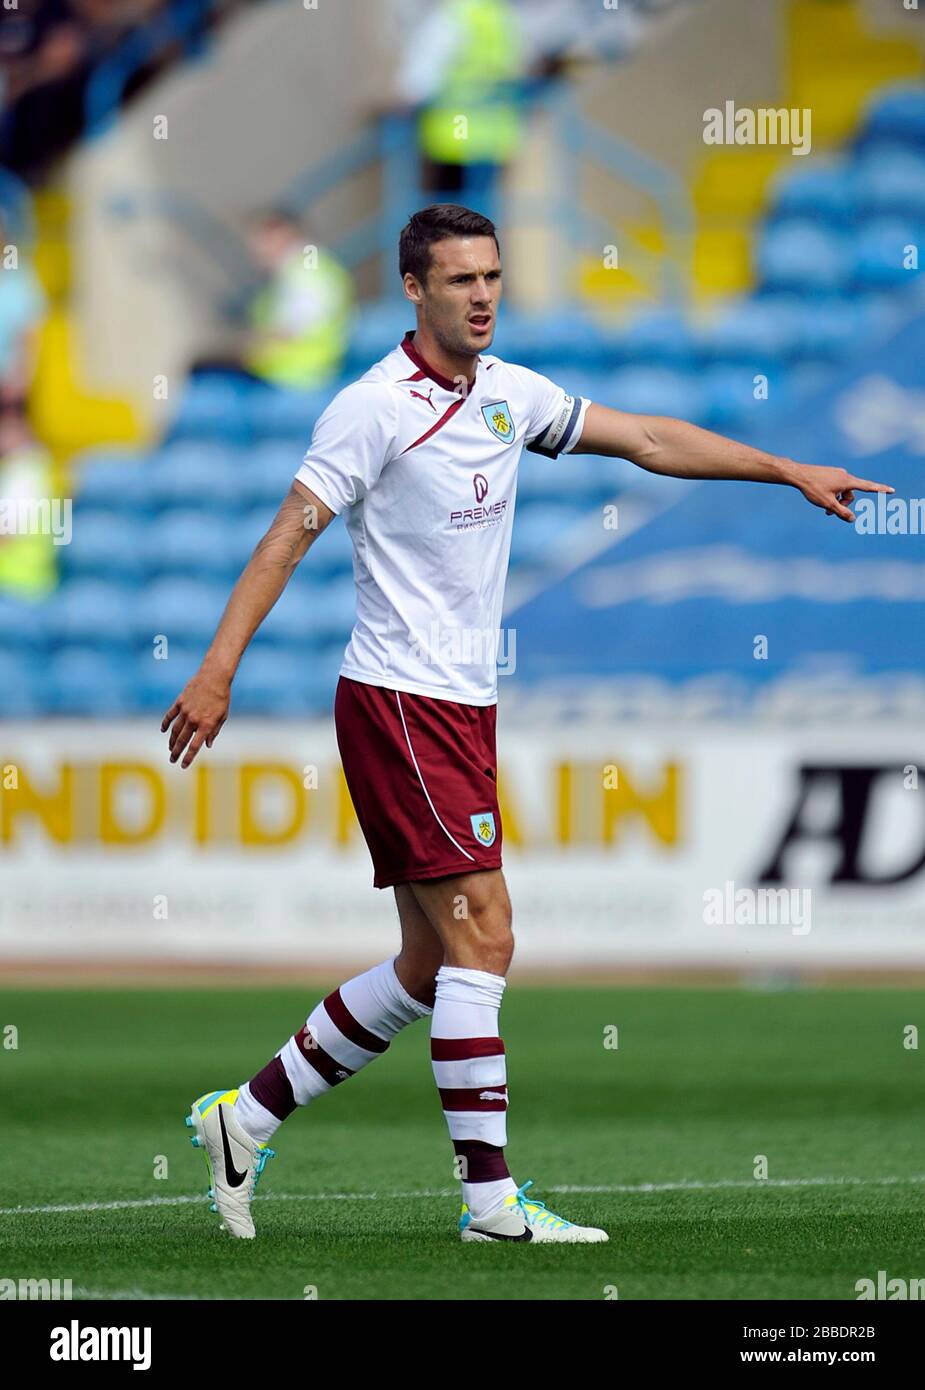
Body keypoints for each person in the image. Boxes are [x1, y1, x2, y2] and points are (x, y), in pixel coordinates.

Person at [162, 203, 893, 1243]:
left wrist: (785, 470)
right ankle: (491, 1204)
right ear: (414, 290)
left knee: (428, 965)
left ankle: (243, 1117)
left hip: (459, 706)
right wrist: (216, 670)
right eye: (460, 280)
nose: (482, 295)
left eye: (492, 276)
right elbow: (288, 535)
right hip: (402, 703)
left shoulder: (509, 395)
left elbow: (644, 437)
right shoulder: (372, 408)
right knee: (488, 936)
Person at [241, 210, 354, 390]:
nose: (255, 246)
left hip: (296, 375)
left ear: (284, 234)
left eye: (262, 238)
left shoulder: (305, 271)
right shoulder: (302, 266)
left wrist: (251, 344)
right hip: (292, 372)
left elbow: (293, 325)